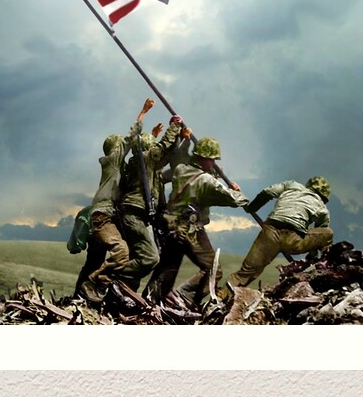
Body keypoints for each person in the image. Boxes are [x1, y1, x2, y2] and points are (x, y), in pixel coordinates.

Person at [144, 137, 249, 309]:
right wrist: (237, 192)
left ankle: (148, 302)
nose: (213, 163)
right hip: (191, 229)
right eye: (212, 159)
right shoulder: (207, 181)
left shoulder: (181, 170)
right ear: (204, 158)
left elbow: (197, 179)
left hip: (171, 228)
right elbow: (233, 199)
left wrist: (215, 176)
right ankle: (182, 297)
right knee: (213, 270)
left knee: (166, 270)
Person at [74, 98, 154, 302]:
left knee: (102, 258)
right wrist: (143, 113)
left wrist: (152, 137)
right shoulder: (111, 162)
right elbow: (130, 138)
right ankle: (93, 284)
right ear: (115, 149)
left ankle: (95, 292)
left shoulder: (117, 168)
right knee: (121, 252)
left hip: (110, 217)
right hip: (103, 216)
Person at [227, 176, 333, 288]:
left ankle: (221, 298)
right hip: (293, 240)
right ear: (324, 196)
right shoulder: (322, 208)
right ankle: (327, 265)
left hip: (269, 234)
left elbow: (269, 191)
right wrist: (312, 257)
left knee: (245, 273)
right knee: (328, 233)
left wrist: (251, 208)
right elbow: (318, 236)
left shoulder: (292, 185)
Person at [116, 115, 183, 290]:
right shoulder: (144, 158)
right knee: (150, 258)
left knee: (139, 257)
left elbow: (168, 155)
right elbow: (163, 147)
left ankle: (124, 290)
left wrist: (180, 139)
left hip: (136, 215)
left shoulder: (144, 166)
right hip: (134, 215)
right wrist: (174, 126)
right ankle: (112, 275)